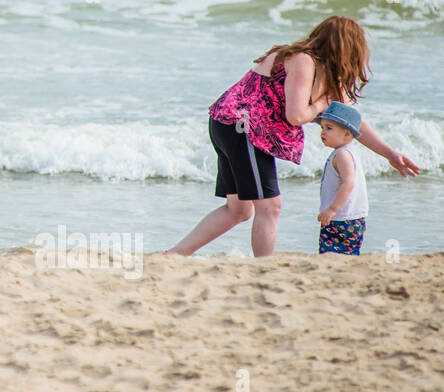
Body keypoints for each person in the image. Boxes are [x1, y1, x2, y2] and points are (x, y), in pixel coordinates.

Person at [167, 15, 418, 257]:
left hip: (227, 123)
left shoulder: (318, 70)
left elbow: (351, 123)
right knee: (270, 207)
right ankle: (264, 269)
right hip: (243, 128)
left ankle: (175, 255)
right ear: (343, 49)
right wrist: (323, 102)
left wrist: (389, 153)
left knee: (239, 210)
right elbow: (296, 116)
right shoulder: (302, 61)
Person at [316, 102, 369, 255]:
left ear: (347, 134)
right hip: (351, 217)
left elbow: (348, 183)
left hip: (342, 218)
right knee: (347, 254)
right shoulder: (349, 151)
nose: (323, 132)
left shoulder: (342, 154)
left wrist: (332, 209)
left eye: (329, 128)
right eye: (322, 127)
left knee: (331, 255)